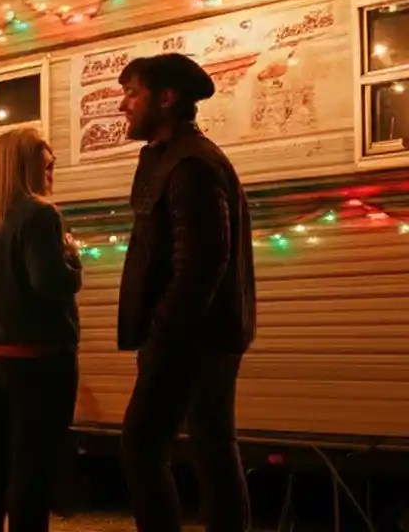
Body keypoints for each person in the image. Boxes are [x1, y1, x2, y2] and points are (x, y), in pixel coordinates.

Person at [116, 53, 256, 532]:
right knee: (213, 445)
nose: (123, 105)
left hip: (189, 339)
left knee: (142, 442)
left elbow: (201, 263)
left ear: (167, 98)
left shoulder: (192, 164)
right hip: (197, 336)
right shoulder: (164, 157)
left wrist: (162, 335)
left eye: (132, 93)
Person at [0, 127, 82, 532]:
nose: (51, 173)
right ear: (27, 167)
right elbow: (51, 282)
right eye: (46, 166)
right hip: (40, 363)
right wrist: (72, 259)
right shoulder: (41, 215)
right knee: (33, 468)